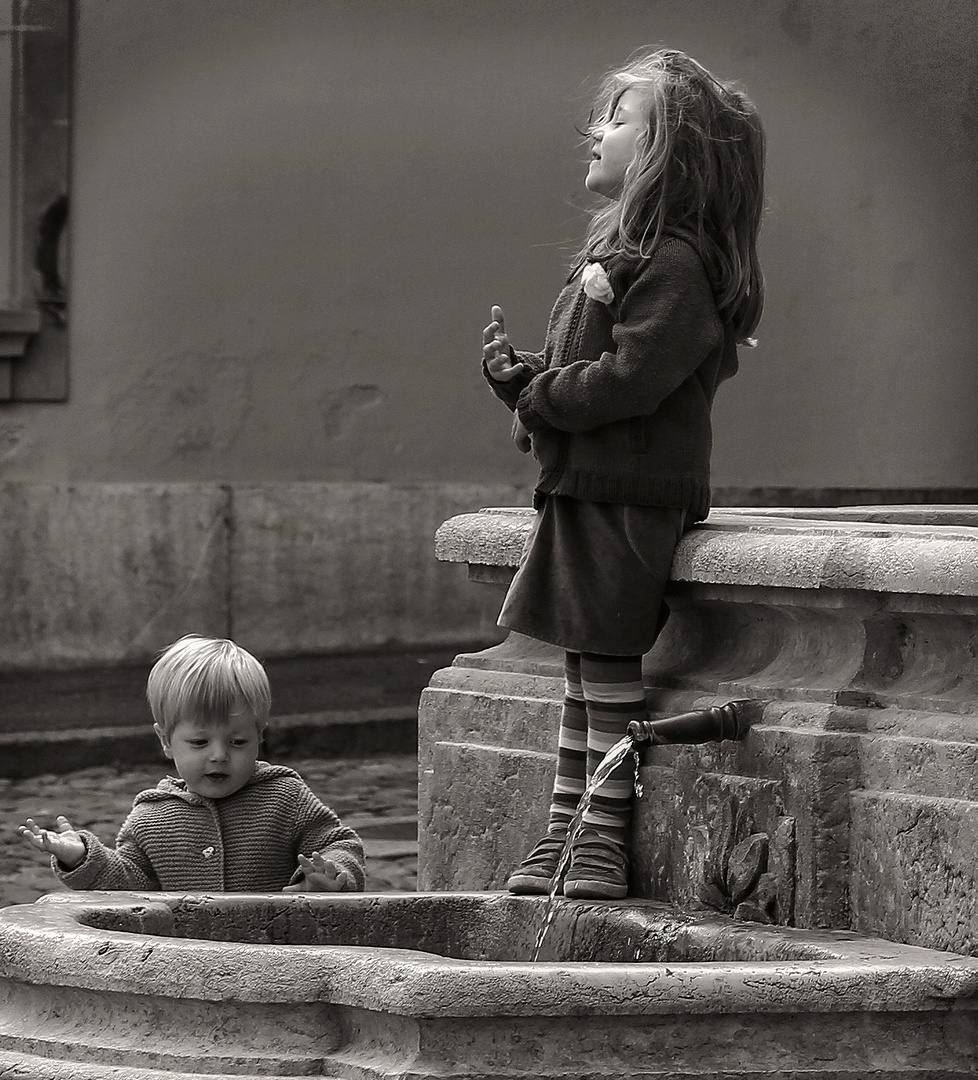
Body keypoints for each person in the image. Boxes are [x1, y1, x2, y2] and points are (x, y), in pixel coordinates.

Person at [481, 47, 765, 900]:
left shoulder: (674, 264)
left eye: (618, 118)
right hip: (593, 488)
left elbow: (635, 379)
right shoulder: (633, 254)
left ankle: (599, 840)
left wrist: (542, 398)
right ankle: (567, 832)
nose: (596, 133)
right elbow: (595, 371)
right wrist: (524, 379)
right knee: (584, 671)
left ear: (665, 154)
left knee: (604, 670)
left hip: (627, 494)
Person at [18, 634, 366, 893]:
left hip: (281, 958)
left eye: (238, 742)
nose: (218, 755)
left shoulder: (284, 797)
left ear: (260, 736)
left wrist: (332, 874)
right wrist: (80, 858)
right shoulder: (152, 817)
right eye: (199, 742)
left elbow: (340, 842)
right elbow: (129, 883)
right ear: (165, 741)